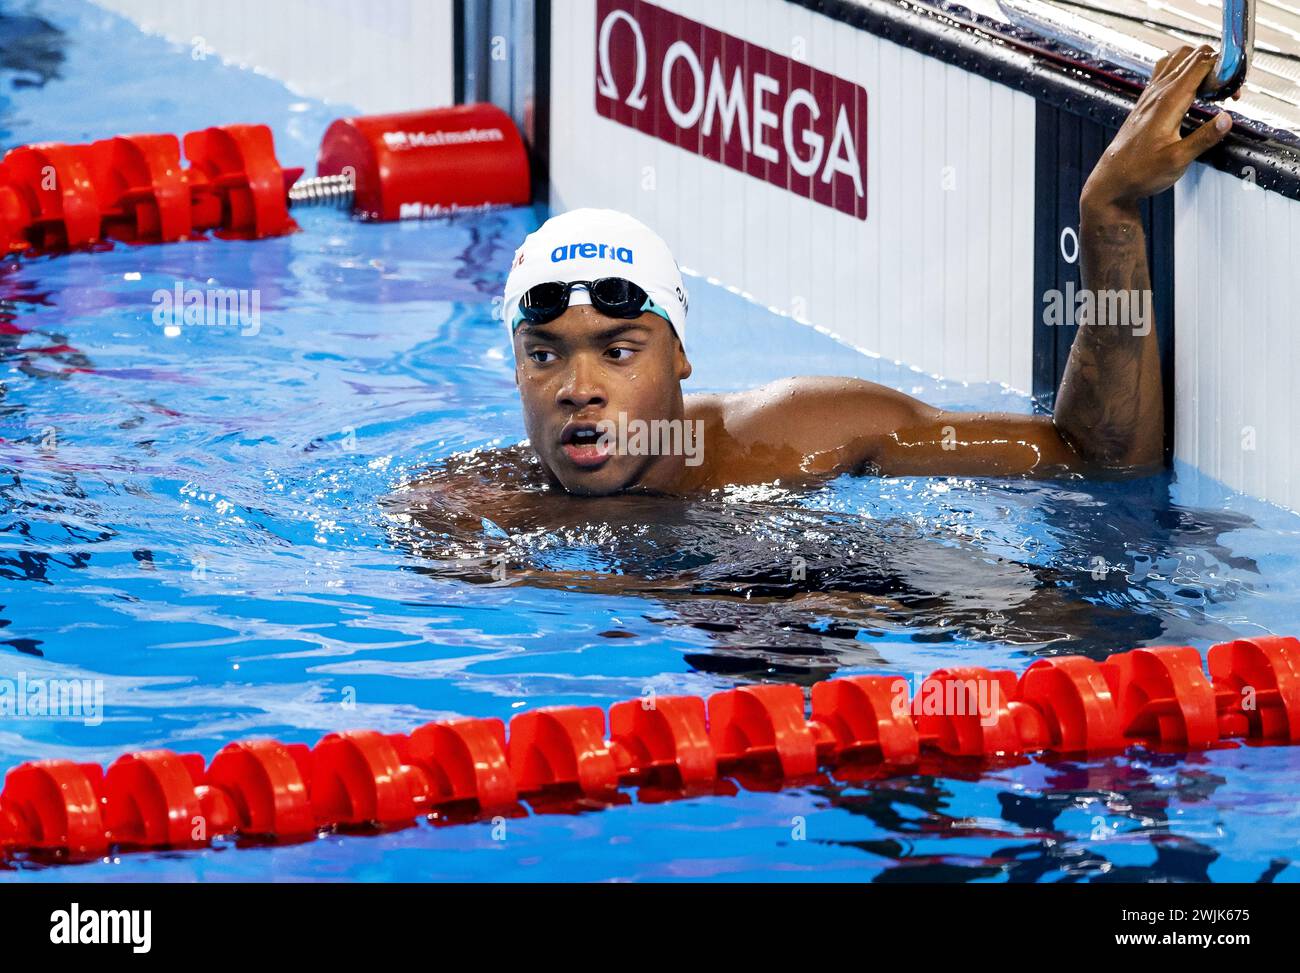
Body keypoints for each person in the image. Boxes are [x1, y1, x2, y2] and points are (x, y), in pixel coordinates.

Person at [414, 44, 1232, 518]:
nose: (578, 389)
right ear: (516, 369)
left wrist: (1110, 213)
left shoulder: (804, 432)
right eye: (546, 354)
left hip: (864, 620)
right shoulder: (464, 512)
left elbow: (1098, 460)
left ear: (682, 355)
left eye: (618, 351)